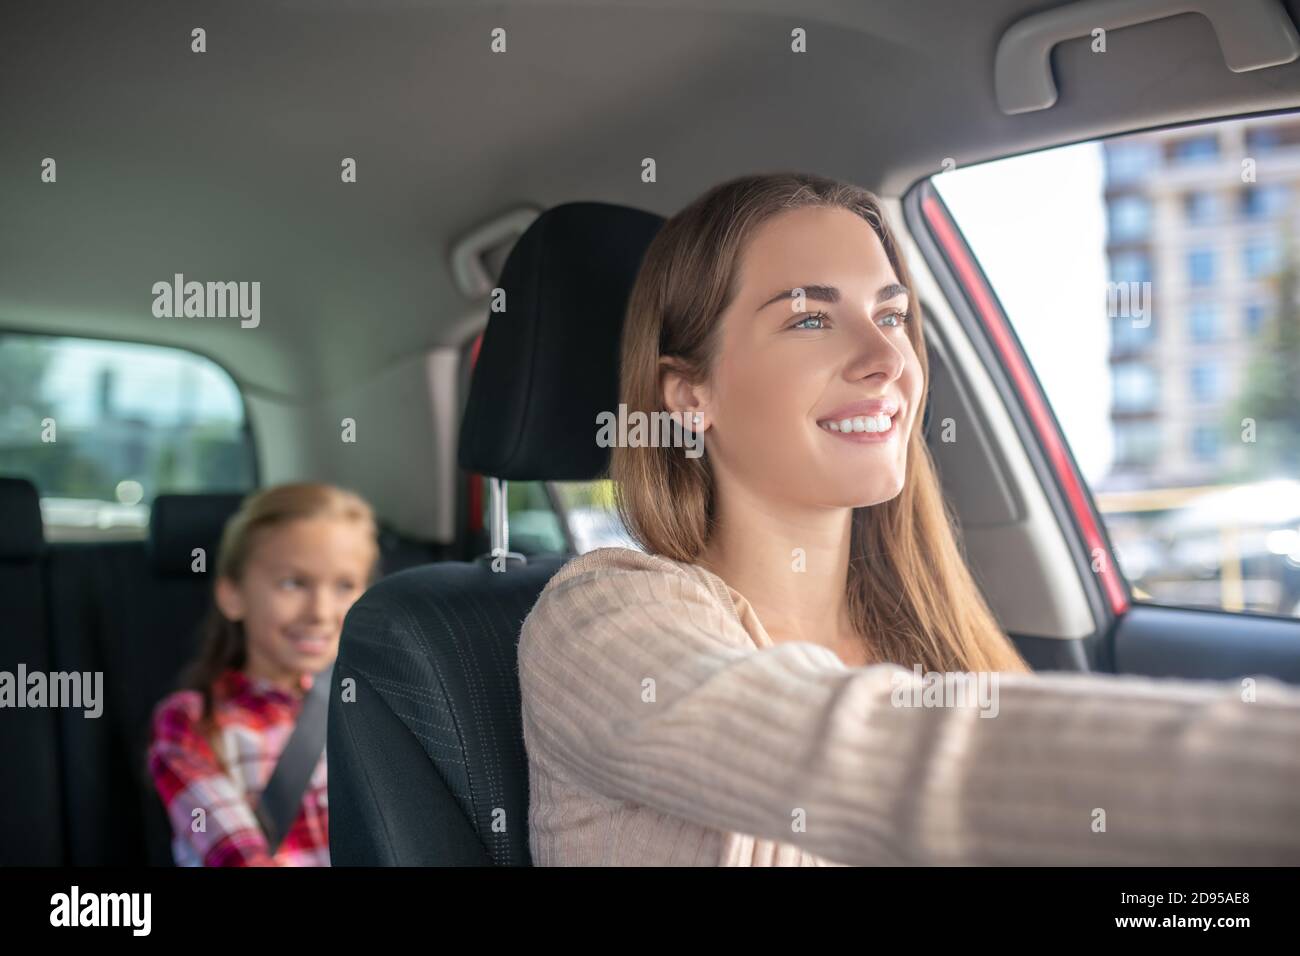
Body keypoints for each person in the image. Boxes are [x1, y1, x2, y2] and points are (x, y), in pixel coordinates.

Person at [517, 171, 1300, 866]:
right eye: (810, 320)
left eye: (891, 317)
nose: (887, 360)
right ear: (689, 395)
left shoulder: (930, 626)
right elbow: (875, 757)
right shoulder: (598, 624)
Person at [148, 482, 379, 866]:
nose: (320, 612)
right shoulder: (192, 723)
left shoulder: (373, 709)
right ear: (233, 595)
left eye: (344, 586)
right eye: (293, 583)